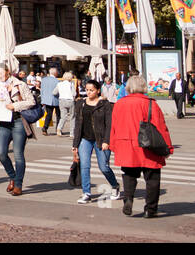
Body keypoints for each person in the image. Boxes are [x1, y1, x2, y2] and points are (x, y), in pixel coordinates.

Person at [109, 73, 174, 218]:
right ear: (143, 87)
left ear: (128, 88)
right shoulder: (150, 103)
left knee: (129, 175)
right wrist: (168, 147)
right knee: (152, 179)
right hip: (148, 145)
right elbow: (161, 127)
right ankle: (150, 209)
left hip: (126, 145)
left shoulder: (119, 104)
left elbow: (113, 126)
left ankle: (128, 199)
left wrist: (113, 144)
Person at [71, 78, 121, 204]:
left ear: (98, 90)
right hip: (84, 139)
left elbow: (109, 124)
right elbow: (77, 124)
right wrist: (75, 144)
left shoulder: (105, 105)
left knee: (104, 167)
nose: (89, 92)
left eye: (91, 90)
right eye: (87, 90)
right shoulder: (80, 104)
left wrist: (106, 140)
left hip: (101, 139)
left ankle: (115, 186)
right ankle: (86, 193)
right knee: (85, 166)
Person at [0, 63, 35, 196]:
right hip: (4, 123)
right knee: (1, 153)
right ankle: (12, 176)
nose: (0, 76)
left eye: (1, 73)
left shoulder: (20, 84)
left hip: (18, 122)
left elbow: (31, 102)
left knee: (18, 155)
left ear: (8, 72)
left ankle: (18, 185)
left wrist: (14, 105)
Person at [39, 67, 61, 135]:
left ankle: (45, 128)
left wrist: (42, 100)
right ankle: (58, 129)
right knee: (58, 115)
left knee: (49, 114)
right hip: (56, 99)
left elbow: (42, 90)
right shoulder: (57, 81)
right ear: (55, 73)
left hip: (46, 100)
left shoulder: (44, 80)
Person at [55, 71, 77, 135]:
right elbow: (74, 93)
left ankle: (59, 128)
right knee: (72, 117)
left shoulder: (59, 84)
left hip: (61, 100)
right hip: (70, 100)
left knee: (63, 116)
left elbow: (54, 92)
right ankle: (72, 133)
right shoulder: (71, 84)